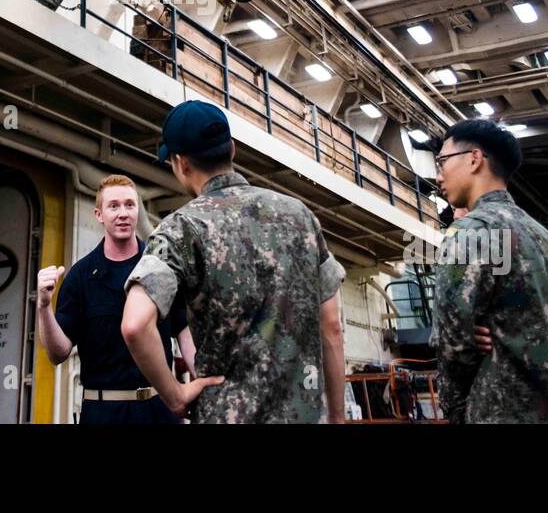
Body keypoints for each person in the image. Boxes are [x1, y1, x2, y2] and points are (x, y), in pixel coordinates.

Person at [122, 100, 346, 423]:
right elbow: (332, 326)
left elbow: (134, 324)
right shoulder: (301, 217)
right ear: (233, 151)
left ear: (181, 164)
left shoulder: (181, 228)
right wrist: (337, 416)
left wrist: (174, 394)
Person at [431, 118, 548, 423]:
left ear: (474, 159)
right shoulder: (542, 237)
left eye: (442, 160)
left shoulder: (472, 231)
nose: (438, 175)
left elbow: (452, 340)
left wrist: (459, 412)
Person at [36, 174, 196, 423]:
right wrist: (44, 307)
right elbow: (58, 353)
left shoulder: (162, 267)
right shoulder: (80, 277)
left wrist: (204, 388)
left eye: (130, 205)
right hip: (103, 412)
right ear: (99, 215)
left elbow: (185, 335)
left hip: (159, 410)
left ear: (137, 210)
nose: (123, 213)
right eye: (114, 206)